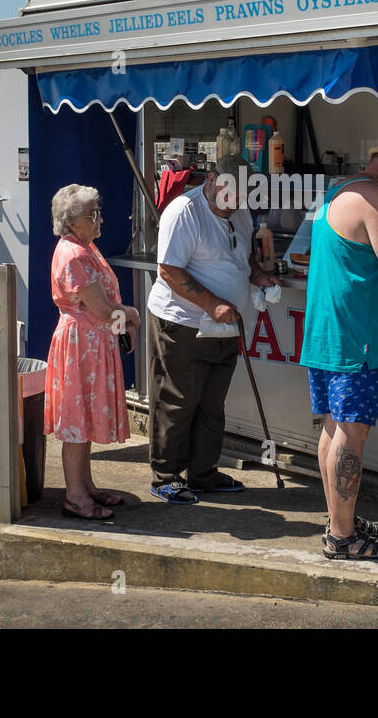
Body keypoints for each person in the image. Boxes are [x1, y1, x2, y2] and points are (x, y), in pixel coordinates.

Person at [300, 135, 378, 559]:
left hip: (327, 333)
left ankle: (340, 518)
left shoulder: (335, 193)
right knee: (352, 435)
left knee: (333, 429)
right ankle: (343, 538)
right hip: (360, 337)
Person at [146, 153, 279, 503]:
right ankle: (166, 476)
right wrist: (212, 304)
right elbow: (169, 271)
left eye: (239, 197)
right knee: (177, 399)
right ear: (210, 180)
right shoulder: (183, 212)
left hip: (225, 324)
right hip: (183, 322)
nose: (232, 204)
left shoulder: (240, 212)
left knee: (212, 402)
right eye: (227, 195)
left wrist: (257, 274)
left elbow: (241, 253)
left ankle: (203, 473)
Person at [45, 184, 138, 521]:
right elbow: (100, 308)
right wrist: (130, 314)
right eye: (92, 214)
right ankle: (75, 496)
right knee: (75, 421)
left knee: (81, 420)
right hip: (80, 345)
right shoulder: (74, 253)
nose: (100, 219)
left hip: (88, 344)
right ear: (72, 222)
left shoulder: (84, 248)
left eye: (98, 212)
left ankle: (84, 487)